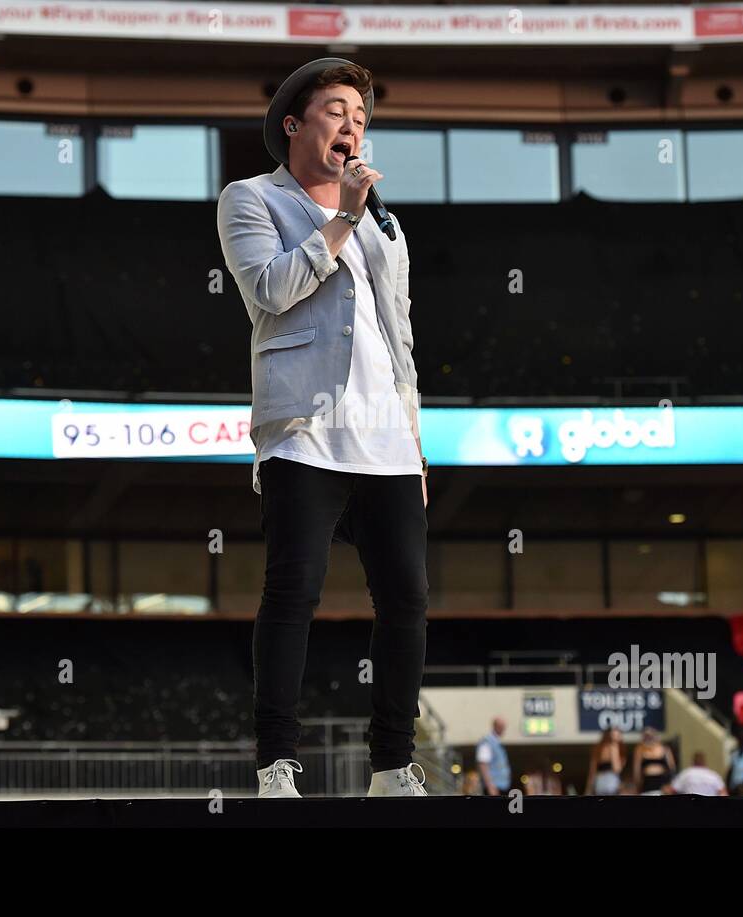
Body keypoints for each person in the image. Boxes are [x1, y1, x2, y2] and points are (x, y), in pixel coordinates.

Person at [217, 58, 428, 799]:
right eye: (337, 111)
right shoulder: (250, 198)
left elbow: (397, 330)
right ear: (294, 125)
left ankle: (392, 765)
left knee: (405, 600)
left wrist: (414, 429)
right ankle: (278, 761)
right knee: (292, 592)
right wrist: (340, 217)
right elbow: (270, 290)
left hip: (388, 440)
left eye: (362, 117)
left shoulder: (382, 224)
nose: (352, 126)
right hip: (305, 428)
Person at [632, 726, 676, 796]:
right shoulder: (640, 750)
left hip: (662, 784)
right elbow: (636, 770)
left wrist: (669, 784)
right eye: (646, 736)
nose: (648, 738)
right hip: (647, 784)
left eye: (650, 735)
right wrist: (637, 785)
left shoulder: (665, 749)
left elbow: (671, 768)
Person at [474, 717, 512, 796]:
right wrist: (490, 786)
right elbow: (483, 764)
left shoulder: (497, 742)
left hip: (501, 786)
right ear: (496, 726)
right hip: (494, 787)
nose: (503, 730)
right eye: (501, 727)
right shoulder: (487, 742)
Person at [587, 726, 626, 796]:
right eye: (616, 735)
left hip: (599, 782)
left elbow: (592, 772)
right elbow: (617, 769)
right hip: (610, 782)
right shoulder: (614, 747)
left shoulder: (599, 749)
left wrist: (588, 789)